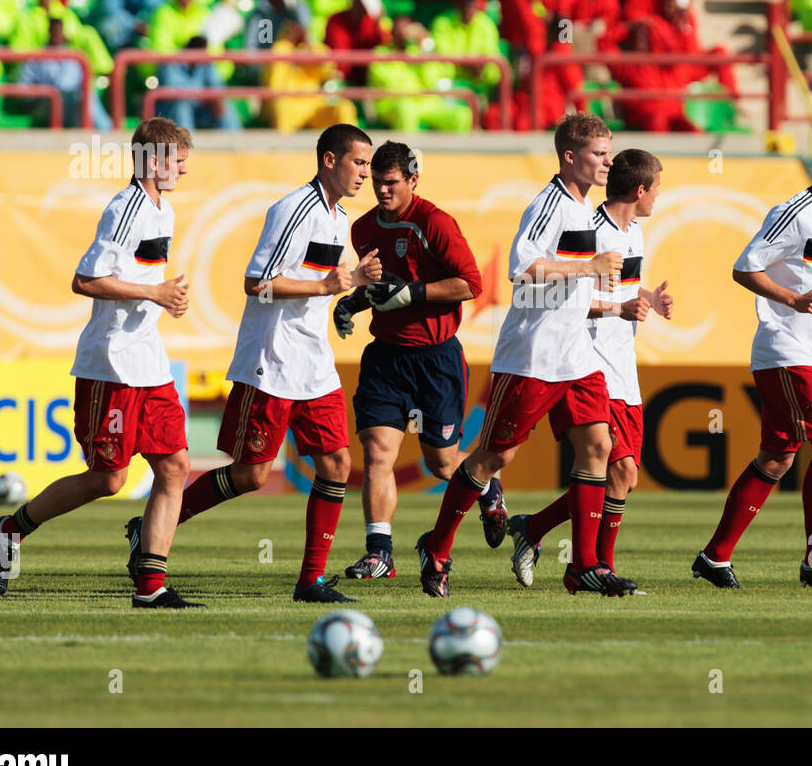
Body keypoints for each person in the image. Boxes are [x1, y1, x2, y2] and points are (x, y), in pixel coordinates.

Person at [124, 124, 383, 602]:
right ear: (329, 160)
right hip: (273, 359)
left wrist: (356, 283)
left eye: (368, 164)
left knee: (337, 462)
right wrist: (330, 286)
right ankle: (153, 525)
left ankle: (310, 581)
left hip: (314, 362)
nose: (365, 173)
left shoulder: (337, 217)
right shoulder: (294, 209)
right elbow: (257, 282)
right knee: (252, 474)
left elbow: (324, 283)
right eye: (358, 162)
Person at [417, 113, 633, 597]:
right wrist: (588, 267)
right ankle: (437, 550)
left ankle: (584, 566)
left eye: (609, 151)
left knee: (598, 449)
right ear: (571, 157)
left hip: (577, 355)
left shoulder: (585, 209)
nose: (608, 161)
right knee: (495, 458)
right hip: (533, 357)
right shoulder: (550, 203)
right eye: (600, 153)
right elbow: (522, 267)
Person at [0, 118, 197, 608]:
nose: (184, 170)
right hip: (111, 364)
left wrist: (168, 299)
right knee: (109, 478)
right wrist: (156, 292)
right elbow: (85, 279)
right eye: (179, 161)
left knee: (174, 466)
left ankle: (151, 587)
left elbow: (142, 281)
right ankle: (9, 530)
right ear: (153, 161)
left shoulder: (163, 211)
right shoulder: (126, 209)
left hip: (150, 362)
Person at [693, 125, 812, 590]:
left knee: (777, 458)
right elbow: (745, 267)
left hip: (811, 354)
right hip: (783, 349)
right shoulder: (795, 212)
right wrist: (792, 301)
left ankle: (714, 557)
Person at [506, 149, 674, 585]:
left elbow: (623, 291)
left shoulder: (633, 232)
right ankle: (596, 568)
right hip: (589, 361)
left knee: (625, 478)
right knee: (617, 470)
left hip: (624, 366)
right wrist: (619, 308)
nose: (659, 195)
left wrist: (648, 299)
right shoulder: (590, 231)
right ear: (640, 190)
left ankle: (534, 528)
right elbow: (566, 302)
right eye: (657, 186)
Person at [331, 141, 487, 580]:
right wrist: (352, 304)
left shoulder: (434, 222)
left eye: (391, 182)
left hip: (436, 358)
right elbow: (380, 288)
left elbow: (470, 284)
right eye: (377, 181)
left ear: (413, 180)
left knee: (442, 463)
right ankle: (380, 552)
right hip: (386, 357)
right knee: (378, 452)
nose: (382, 190)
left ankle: (486, 485)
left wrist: (412, 294)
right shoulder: (362, 228)